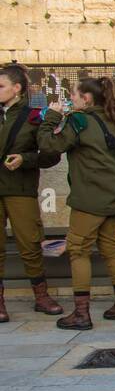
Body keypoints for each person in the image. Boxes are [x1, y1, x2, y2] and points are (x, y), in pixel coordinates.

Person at [36, 77, 115, 331]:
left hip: (88, 202)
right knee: (112, 250)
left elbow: (49, 145)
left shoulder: (79, 121)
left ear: (87, 98)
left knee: (79, 251)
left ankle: (81, 314)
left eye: (73, 95)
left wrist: (51, 116)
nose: (71, 99)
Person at [0, 63, 63, 322]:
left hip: (20, 188)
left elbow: (51, 155)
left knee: (30, 244)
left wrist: (24, 159)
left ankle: (41, 296)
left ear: (16, 89)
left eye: (1, 86)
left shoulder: (34, 116)